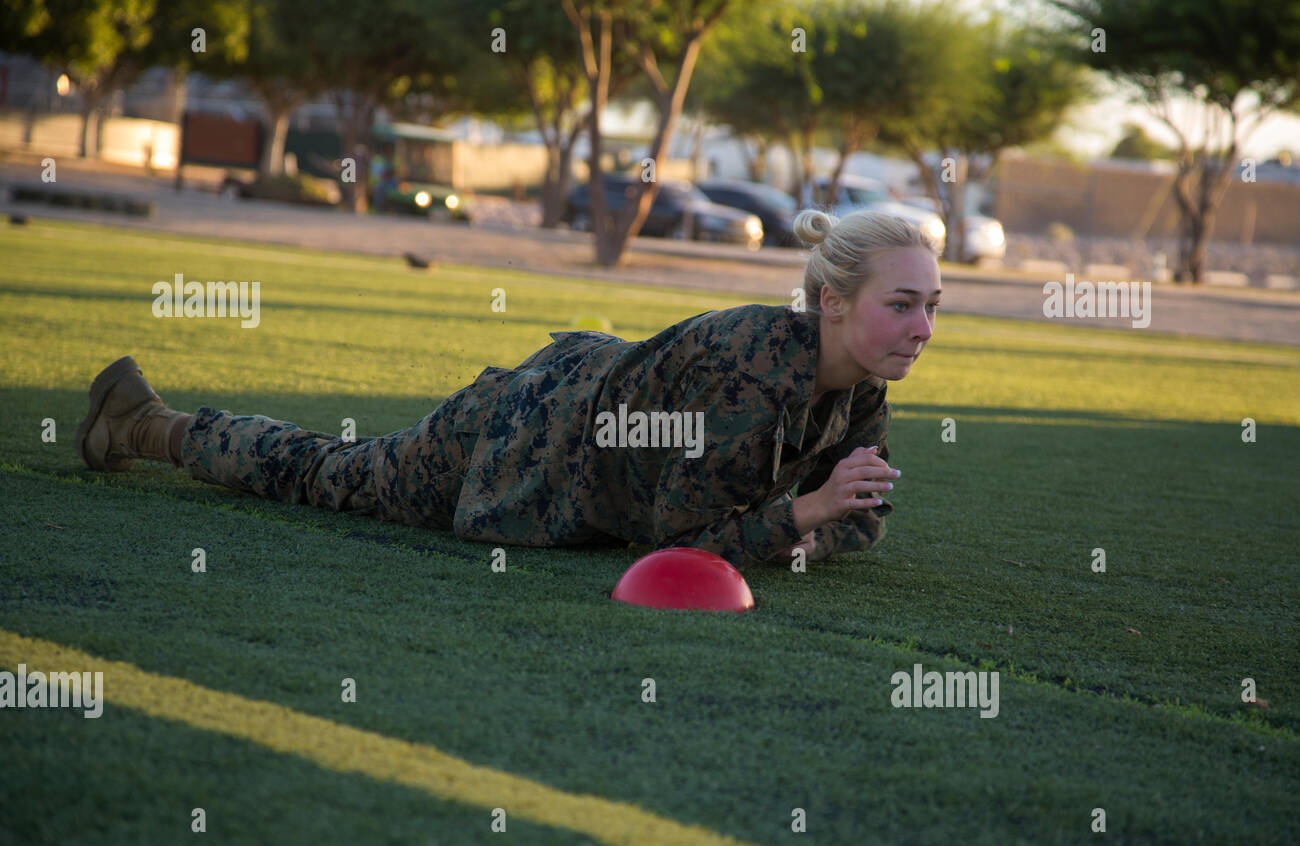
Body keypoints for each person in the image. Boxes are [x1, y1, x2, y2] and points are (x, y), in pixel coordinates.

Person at [74, 209, 941, 570]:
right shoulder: (747, 368)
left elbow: (861, 520)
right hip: (531, 424)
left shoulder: (860, 383)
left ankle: (147, 422)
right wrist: (800, 517)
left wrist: (819, 523)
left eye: (931, 307)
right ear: (831, 301)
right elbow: (680, 549)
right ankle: (147, 423)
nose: (922, 329)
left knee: (344, 476)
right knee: (343, 479)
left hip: (595, 433)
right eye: (901, 305)